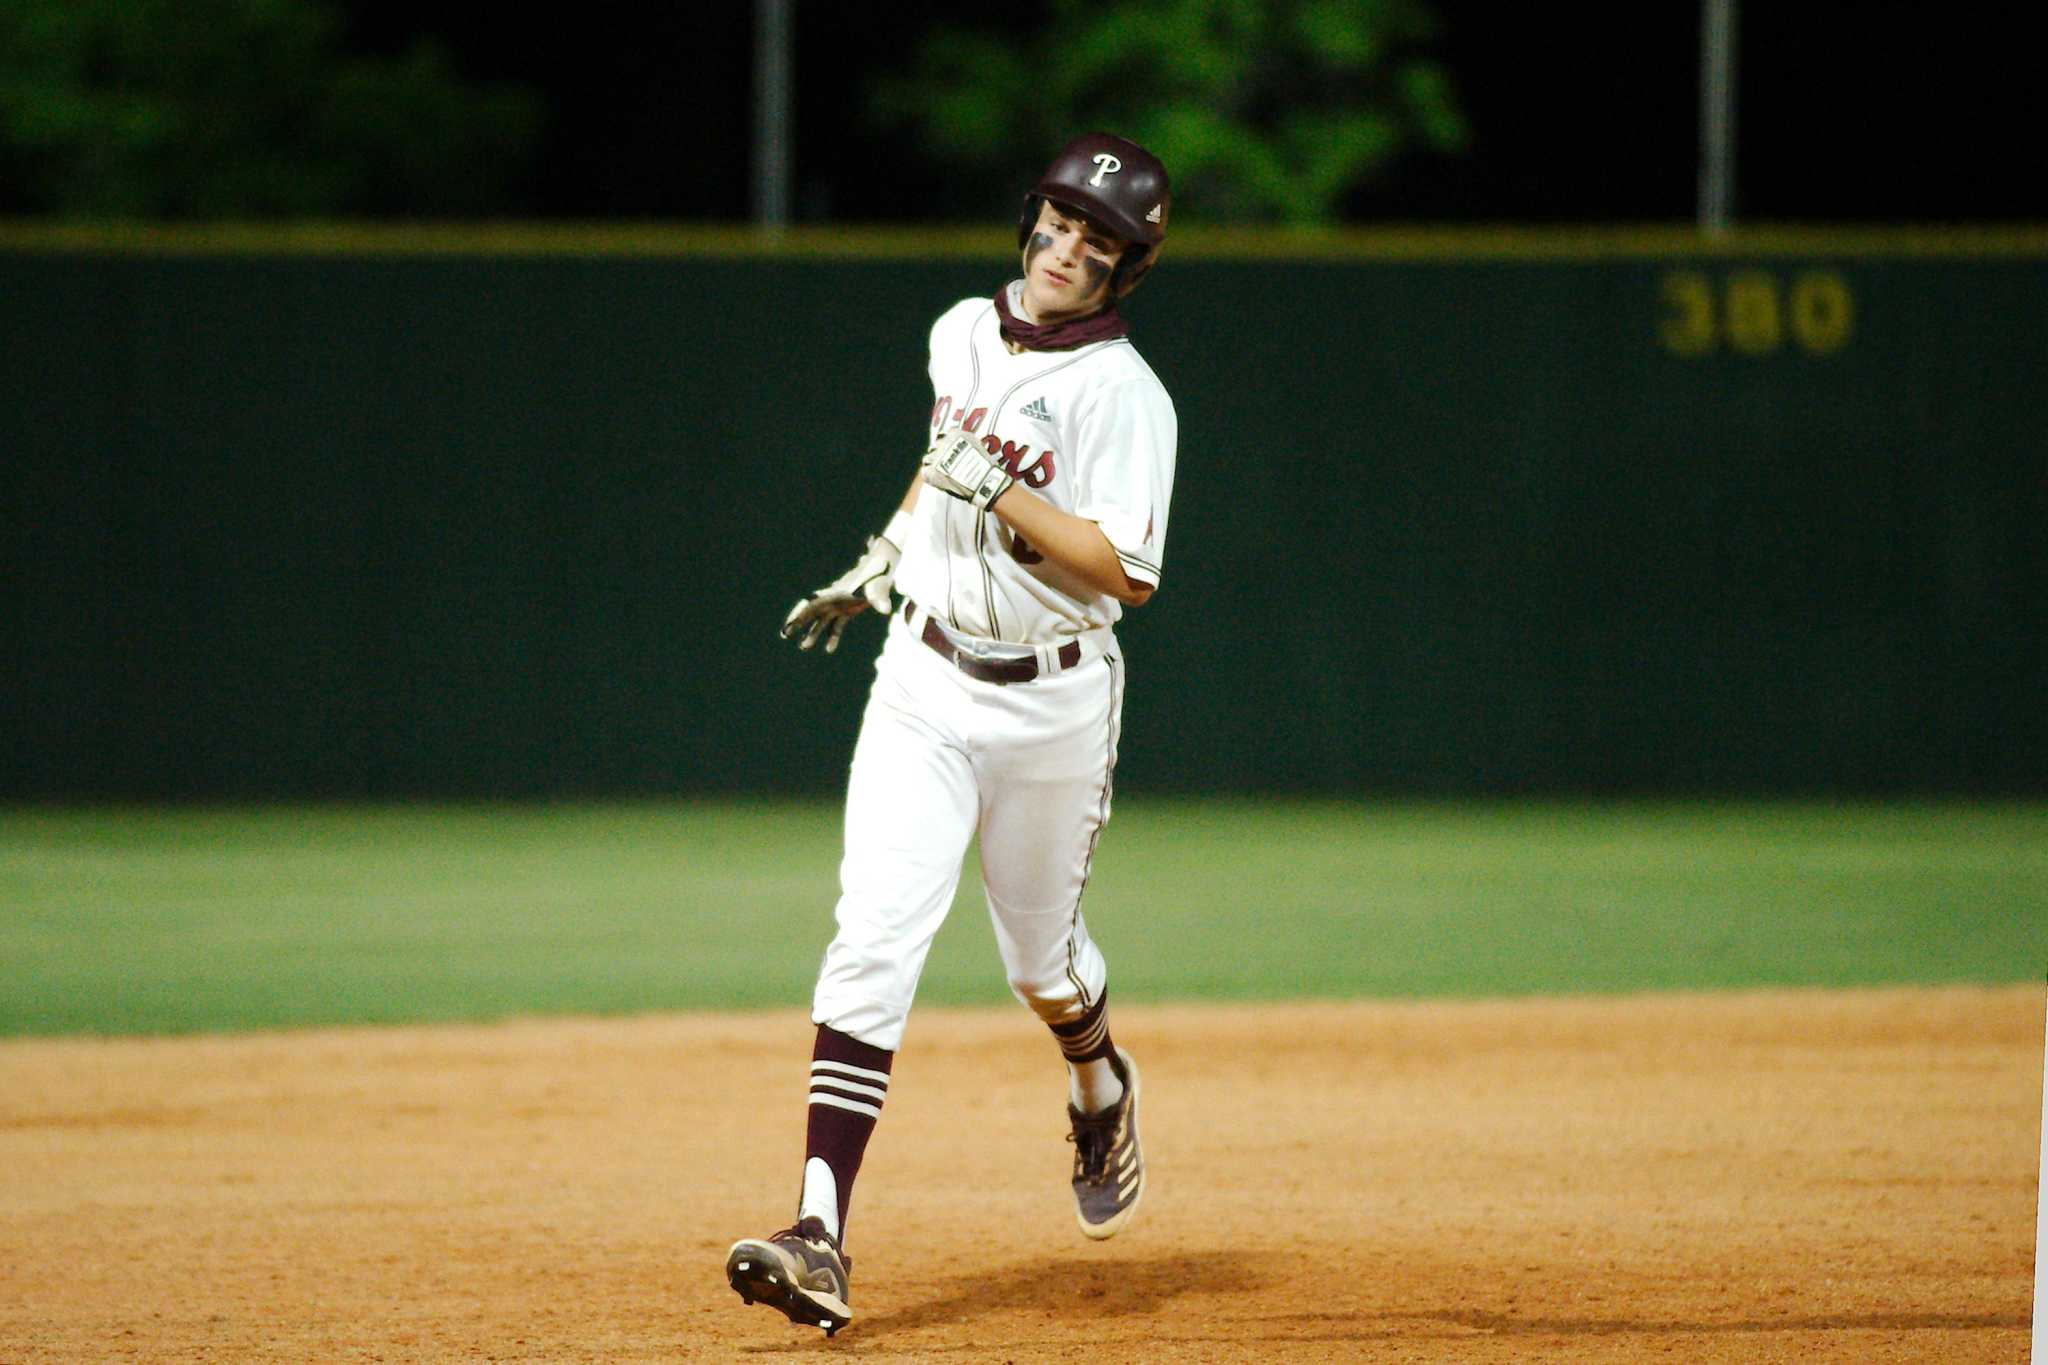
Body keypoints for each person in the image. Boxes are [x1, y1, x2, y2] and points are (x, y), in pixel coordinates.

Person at [725, 132, 1177, 1338]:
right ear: (1030, 217)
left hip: (1053, 701)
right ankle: (818, 1232)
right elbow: (942, 466)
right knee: (872, 934)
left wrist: (1005, 496)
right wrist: (882, 557)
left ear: (1123, 268)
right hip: (920, 679)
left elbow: (1126, 570)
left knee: (1041, 967)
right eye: (1060, 219)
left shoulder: (1126, 396)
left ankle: (1097, 1077)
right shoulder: (958, 331)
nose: (1068, 247)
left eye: (1099, 239)